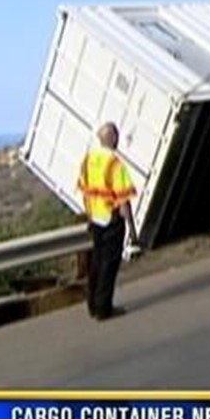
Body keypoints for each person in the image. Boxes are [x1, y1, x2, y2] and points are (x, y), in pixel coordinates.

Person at [76, 122, 139, 321]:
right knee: (108, 265)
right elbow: (123, 200)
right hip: (111, 219)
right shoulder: (114, 163)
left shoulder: (88, 160)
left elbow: (84, 191)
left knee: (95, 262)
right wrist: (132, 229)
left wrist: (89, 214)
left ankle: (93, 305)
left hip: (95, 218)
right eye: (117, 136)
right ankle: (104, 308)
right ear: (112, 138)